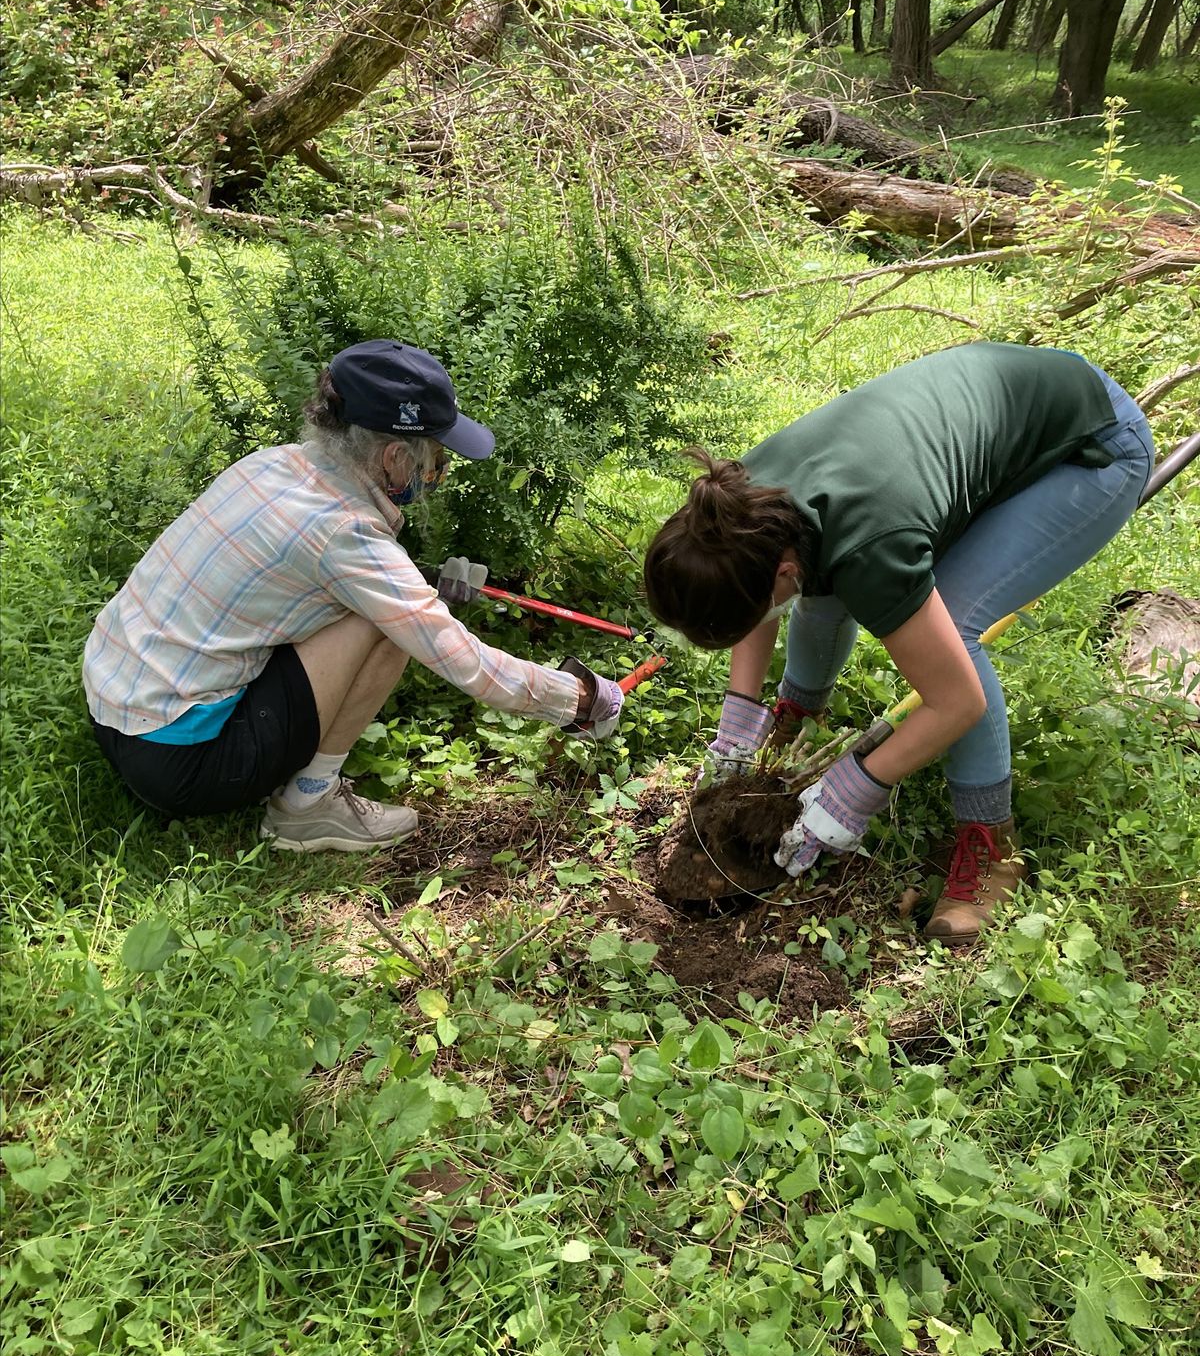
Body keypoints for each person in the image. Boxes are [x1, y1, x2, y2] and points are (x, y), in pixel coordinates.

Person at [643, 342, 1154, 943]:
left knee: (957, 624)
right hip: (996, 407)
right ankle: (796, 715)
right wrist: (738, 724)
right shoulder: (733, 510)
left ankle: (990, 845)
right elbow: (759, 599)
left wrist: (856, 788)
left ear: (778, 576)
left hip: (1090, 446)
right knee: (823, 586)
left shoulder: (870, 546)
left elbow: (956, 702)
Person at [83, 339, 624, 851]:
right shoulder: (347, 533)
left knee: (391, 605)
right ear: (394, 459)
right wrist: (576, 699)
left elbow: (308, 567)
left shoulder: (272, 464)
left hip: (115, 703)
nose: (439, 474)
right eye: (436, 459)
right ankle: (307, 807)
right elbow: (465, 663)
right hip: (184, 761)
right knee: (386, 623)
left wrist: (422, 578)